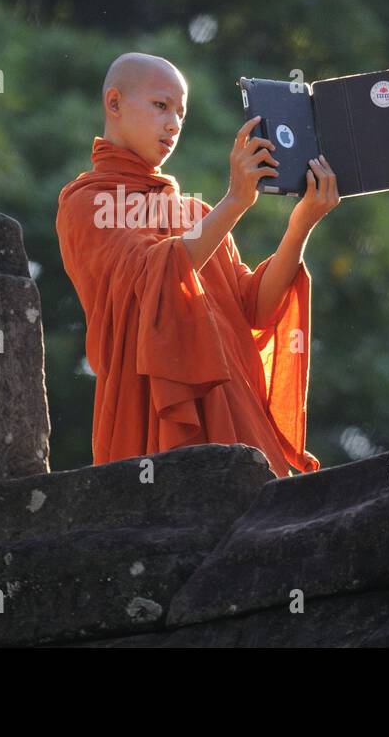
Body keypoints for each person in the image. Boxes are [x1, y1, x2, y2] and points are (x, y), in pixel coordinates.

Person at [55, 51, 340, 477]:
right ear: (114, 104)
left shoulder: (195, 215)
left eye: (181, 114)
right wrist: (235, 202)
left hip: (236, 416)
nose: (173, 124)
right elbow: (156, 276)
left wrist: (300, 225)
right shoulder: (87, 202)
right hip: (148, 416)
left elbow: (255, 308)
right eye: (160, 106)